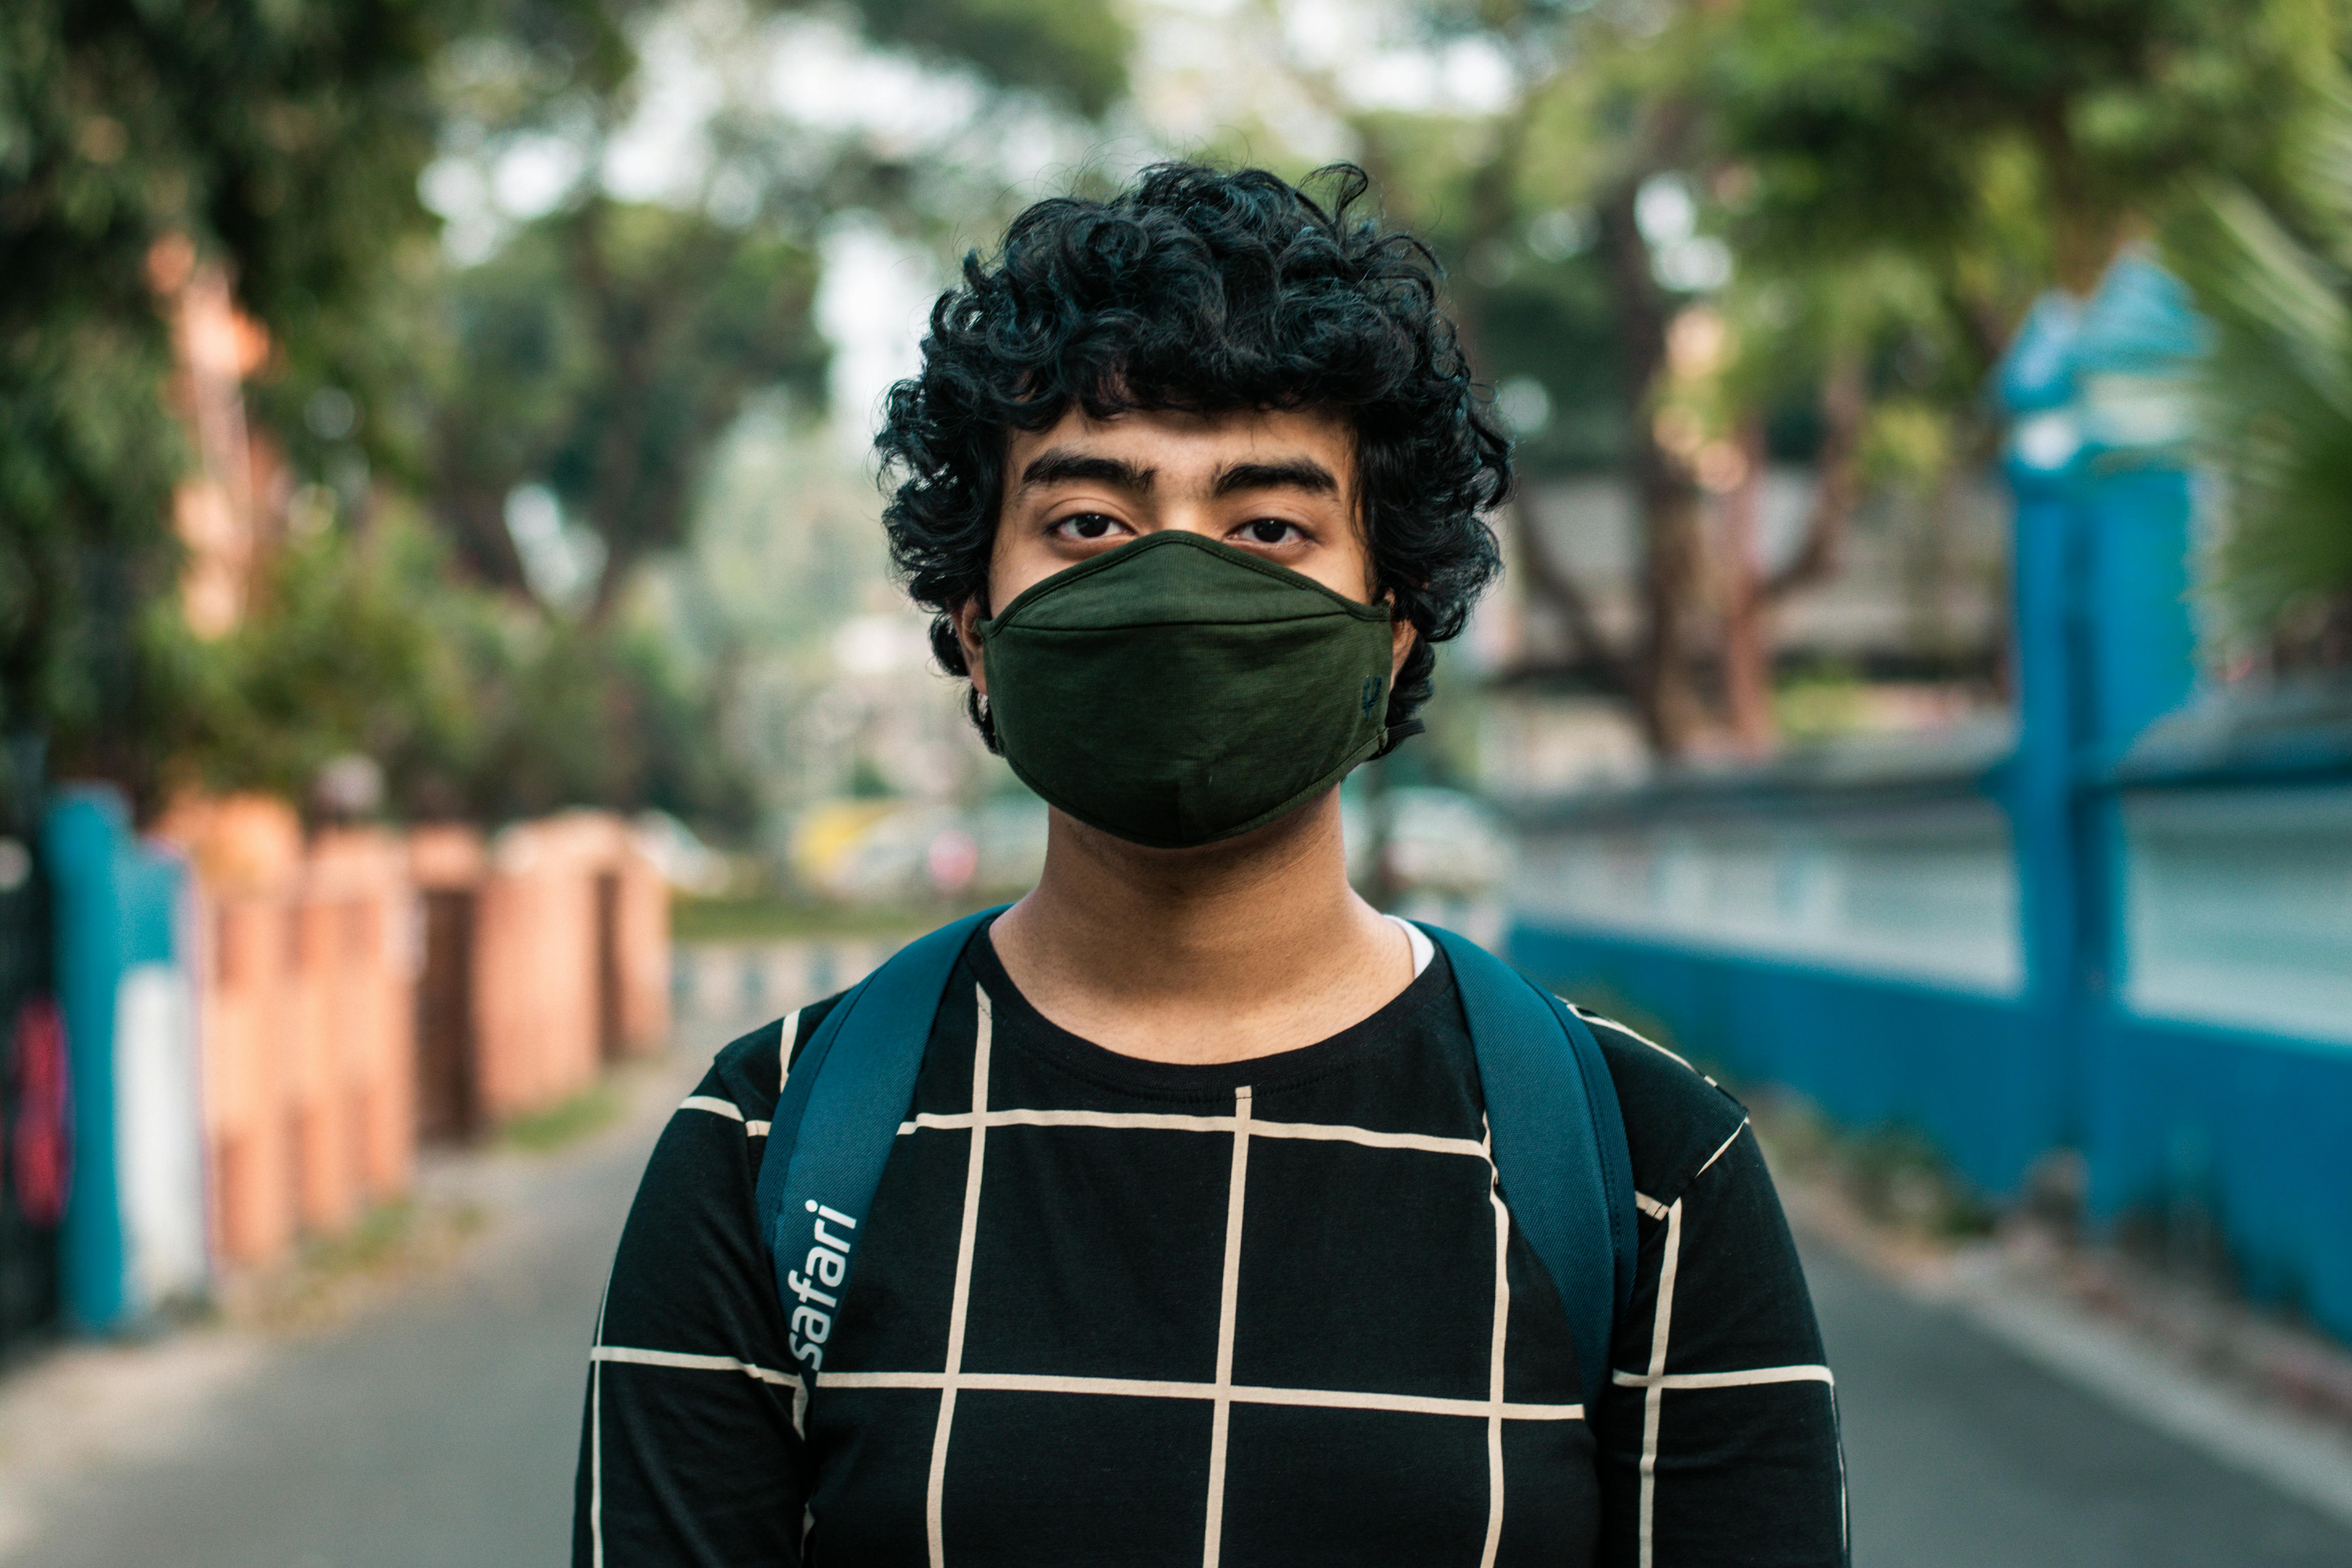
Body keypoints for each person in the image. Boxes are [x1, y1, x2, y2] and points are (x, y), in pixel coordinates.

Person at [575, 162, 1847, 1567]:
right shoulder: (768, 1144)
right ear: (978, 625)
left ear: (1393, 628)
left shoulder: (1649, 1173)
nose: (1176, 591)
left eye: (1267, 530)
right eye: (1087, 525)